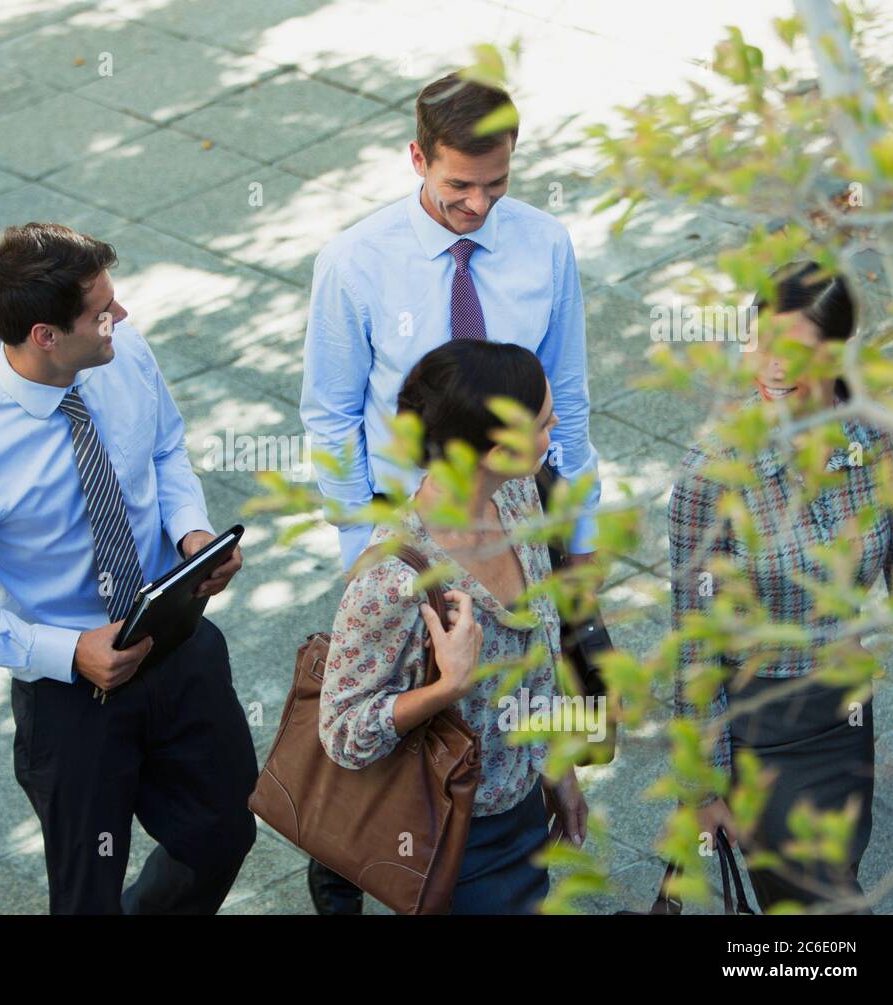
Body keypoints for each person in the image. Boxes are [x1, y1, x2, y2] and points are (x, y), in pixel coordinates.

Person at [299, 70, 601, 914]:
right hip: (410, 547)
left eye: (496, 184)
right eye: (458, 185)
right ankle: (364, 862)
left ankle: (490, 842)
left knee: (507, 701)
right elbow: (328, 418)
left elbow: (567, 401)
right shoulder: (355, 262)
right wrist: (364, 545)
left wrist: (576, 528)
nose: (477, 204)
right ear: (417, 159)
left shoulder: (544, 246)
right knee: (402, 737)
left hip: (513, 514)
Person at [0, 222, 257, 914]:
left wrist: (192, 533)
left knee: (224, 830)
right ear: (45, 336)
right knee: (87, 892)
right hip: (74, 700)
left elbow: (165, 446)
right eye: (101, 311)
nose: (119, 316)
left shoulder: (122, 354)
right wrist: (68, 652)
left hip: (178, 645)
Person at [317, 340, 588, 915]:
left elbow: (538, 651)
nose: (556, 423)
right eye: (541, 422)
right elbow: (341, 732)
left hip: (520, 807)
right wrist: (446, 688)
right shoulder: (392, 579)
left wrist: (557, 768)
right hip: (450, 836)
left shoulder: (518, 498)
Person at [669, 261, 893, 912]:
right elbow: (693, 638)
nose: (770, 364)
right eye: (759, 339)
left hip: (846, 720)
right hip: (759, 732)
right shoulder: (712, 471)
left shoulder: (884, 443)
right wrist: (703, 786)